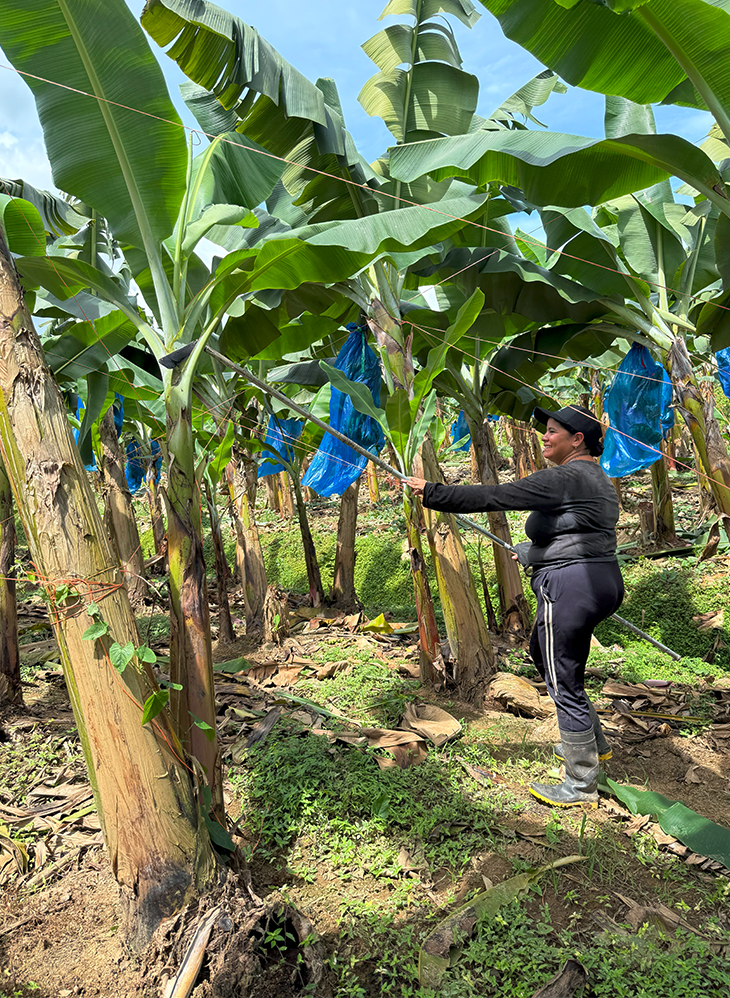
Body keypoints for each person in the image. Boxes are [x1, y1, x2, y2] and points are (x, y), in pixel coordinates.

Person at [404, 405, 623, 809]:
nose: (545, 436)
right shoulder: (594, 479)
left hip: (573, 585)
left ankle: (580, 783)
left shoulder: (567, 476)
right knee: (544, 654)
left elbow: (497, 495)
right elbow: (575, 532)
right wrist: (532, 550)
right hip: (596, 578)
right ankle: (595, 744)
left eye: (553, 430)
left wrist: (432, 492)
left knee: (562, 680)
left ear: (577, 440)